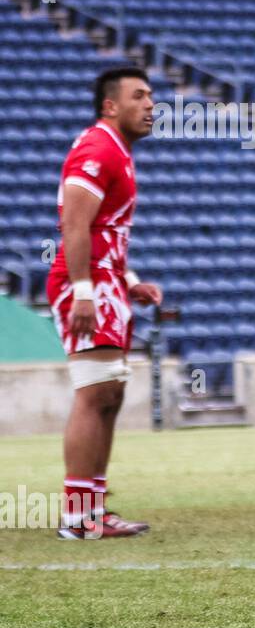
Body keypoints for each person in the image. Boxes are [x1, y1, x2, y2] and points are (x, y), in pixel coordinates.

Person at [48, 67, 163, 539]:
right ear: (110, 106)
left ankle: (92, 508)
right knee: (94, 394)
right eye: (139, 96)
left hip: (107, 281)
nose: (151, 104)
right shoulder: (97, 149)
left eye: (152, 96)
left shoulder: (119, 151)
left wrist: (129, 278)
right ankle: (77, 517)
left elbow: (105, 230)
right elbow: (74, 226)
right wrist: (83, 290)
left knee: (109, 396)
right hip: (87, 285)